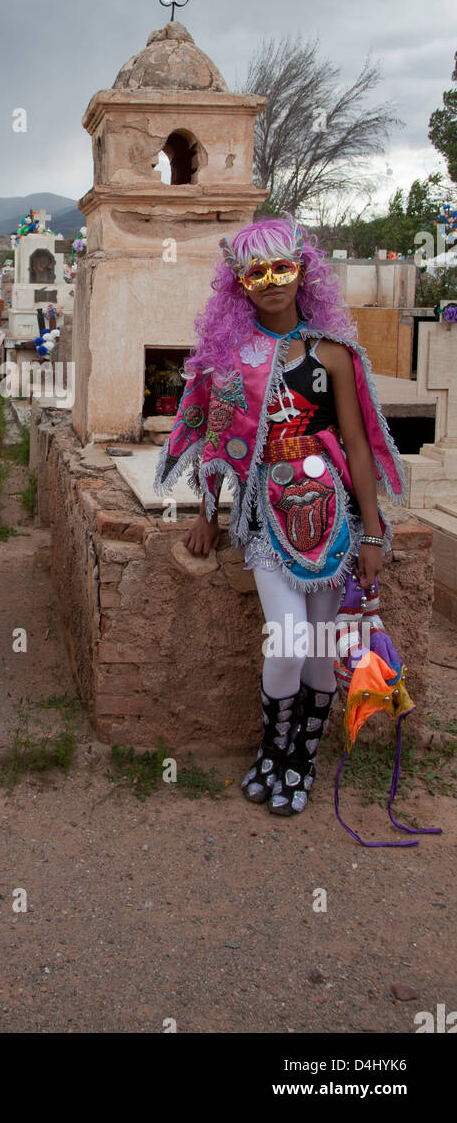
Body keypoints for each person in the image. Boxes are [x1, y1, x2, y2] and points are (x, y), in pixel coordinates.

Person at [154, 216, 407, 816]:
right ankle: (272, 750)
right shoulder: (227, 360)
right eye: (255, 271)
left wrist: (372, 533)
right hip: (266, 518)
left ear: (303, 271)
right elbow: (217, 442)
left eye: (282, 267)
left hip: (334, 521)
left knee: (320, 647)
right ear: (238, 283)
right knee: (289, 642)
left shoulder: (336, 356)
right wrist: (208, 514)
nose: (270, 281)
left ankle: (301, 761)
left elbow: (359, 442)